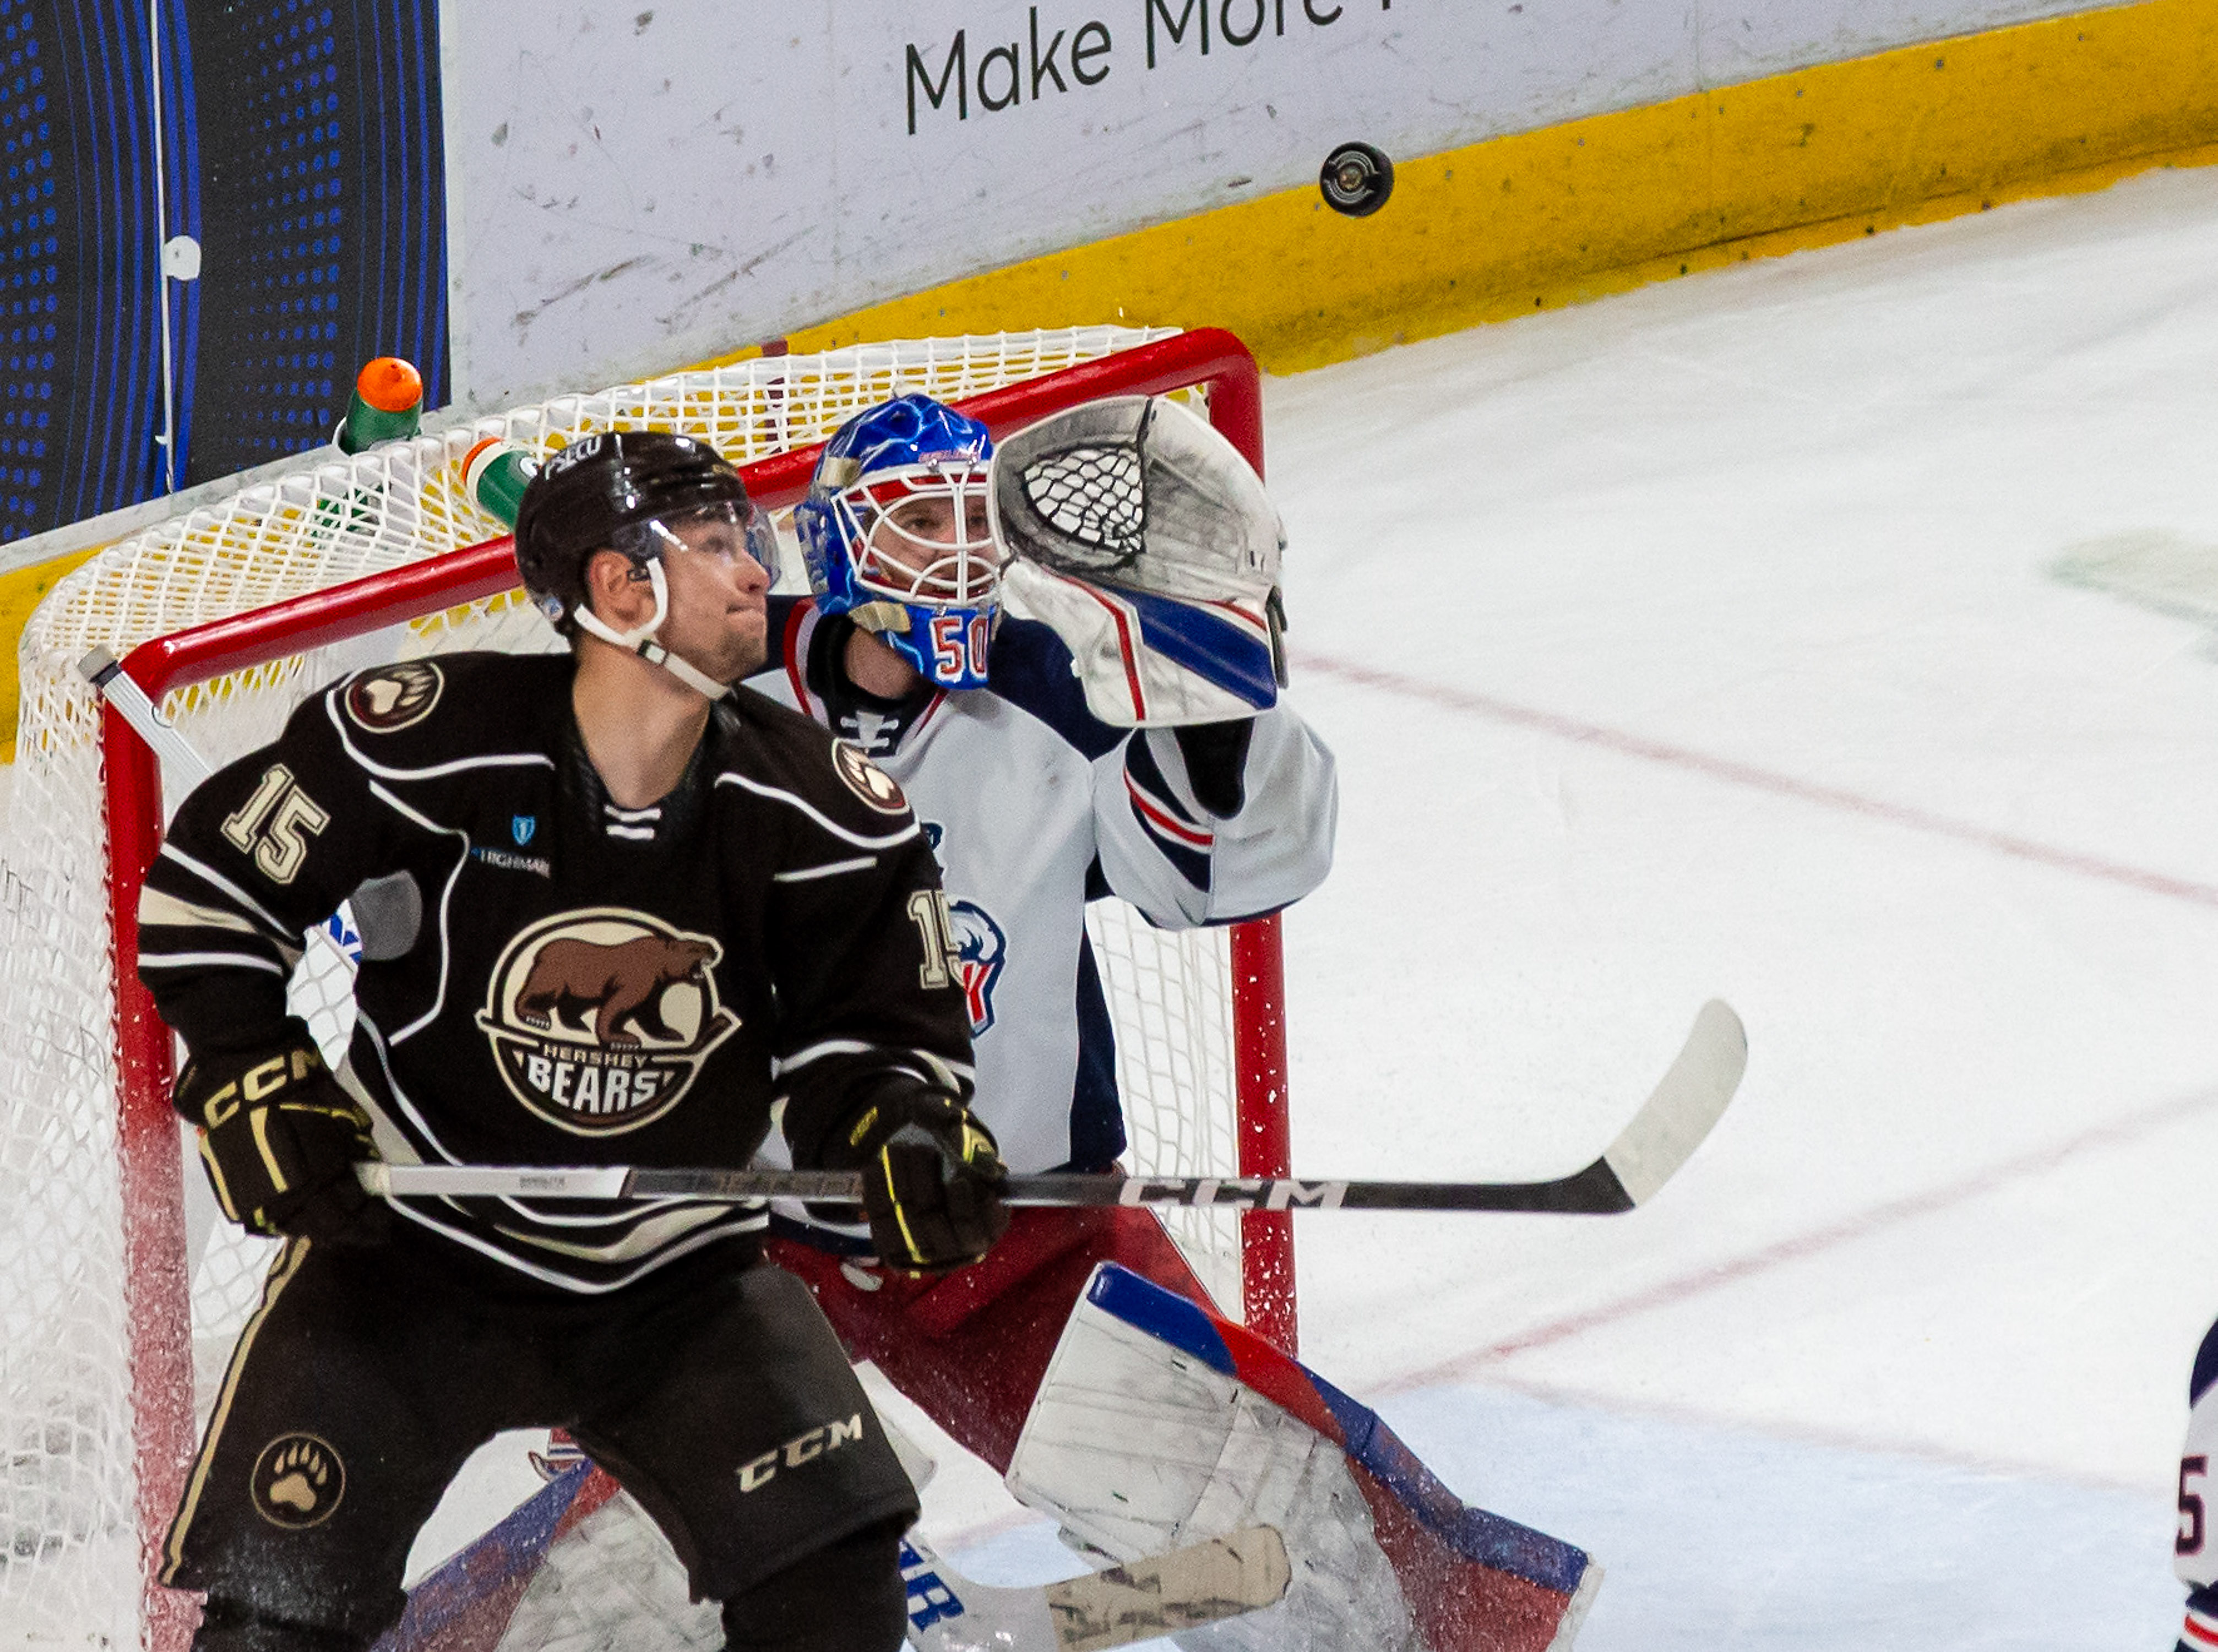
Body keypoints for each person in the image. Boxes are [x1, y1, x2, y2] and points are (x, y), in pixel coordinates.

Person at [135, 430, 1007, 1652]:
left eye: (747, 542)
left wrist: (902, 1131)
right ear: (618, 588)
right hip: (408, 1256)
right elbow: (210, 897)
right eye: (715, 547)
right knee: (272, 1630)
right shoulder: (430, 741)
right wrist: (247, 1071)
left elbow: (875, 1042)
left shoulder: (822, 807)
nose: (759, 571)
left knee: (836, 1591)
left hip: (684, 1278)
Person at [753, 390, 1339, 1468]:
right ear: (837, 540)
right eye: (920, 522)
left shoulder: (1061, 683)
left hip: (1013, 1219)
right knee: (622, 1589)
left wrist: (1212, 707)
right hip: (736, 1244)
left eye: (978, 521)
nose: (960, 552)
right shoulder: (713, 691)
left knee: (1282, 1499)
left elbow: (1213, 879)